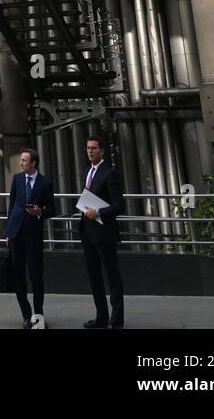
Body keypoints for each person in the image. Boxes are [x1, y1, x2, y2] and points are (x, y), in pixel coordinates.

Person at [78, 134, 125, 330]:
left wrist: (98, 212)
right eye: (88, 148)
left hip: (104, 233)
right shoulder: (88, 171)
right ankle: (101, 317)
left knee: (112, 278)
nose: (90, 151)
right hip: (88, 232)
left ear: (102, 151)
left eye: (94, 148)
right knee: (94, 277)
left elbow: (119, 206)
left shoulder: (110, 173)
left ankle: (116, 321)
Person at [5, 148, 55, 329]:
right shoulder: (17, 179)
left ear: (33, 163)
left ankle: (38, 316)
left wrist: (40, 211)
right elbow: (12, 205)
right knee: (19, 276)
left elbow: (52, 209)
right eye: (21, 160)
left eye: (24, 161)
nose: (21, 163)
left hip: (33, 236)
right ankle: (26, 316)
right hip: (16, 234)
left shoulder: (45, 183)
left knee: (36, 276)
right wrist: (8, 233)